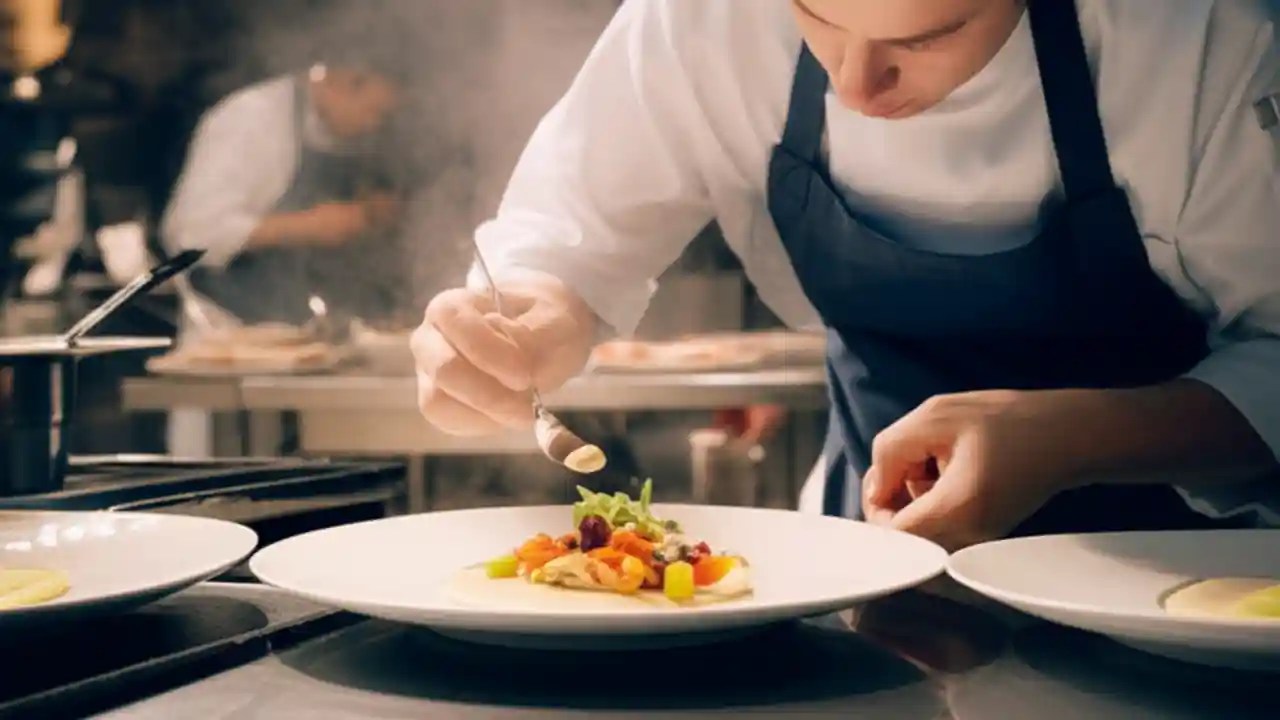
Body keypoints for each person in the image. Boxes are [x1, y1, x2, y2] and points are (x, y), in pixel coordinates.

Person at [412, 0, 1280, 549]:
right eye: (816, 16)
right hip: (869, 571)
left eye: (930, 35)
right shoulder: (705, 19)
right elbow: (568, 241)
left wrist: (1071, 442)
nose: (859, 87)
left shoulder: (1203, 41)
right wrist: (528, 317)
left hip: (1187, 587)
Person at [162, 38, 407, 325]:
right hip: (230, 333)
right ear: (340, 84)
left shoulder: (337, 132)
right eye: (374, 112)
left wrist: (369, 213)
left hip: (310, 331)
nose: (374, 125)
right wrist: (308, 226)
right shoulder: (252, 118)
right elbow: (191, 234)